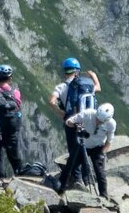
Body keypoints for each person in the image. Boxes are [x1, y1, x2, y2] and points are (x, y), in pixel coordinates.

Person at [49, 58, 101, 189]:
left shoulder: (61, 87)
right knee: (86, 148)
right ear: (77, 70)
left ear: (65, 71)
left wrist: (61, 113)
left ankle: (78, 179)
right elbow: (98, 88)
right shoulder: (87, 86)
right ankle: (88, 178)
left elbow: (52, 101)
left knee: (74, 150)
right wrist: (93, 76)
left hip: (71, 121)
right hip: (88, 121)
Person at [61, 102, 116, 199]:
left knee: (99, 170)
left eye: (101, 121)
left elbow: (109, 141)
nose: (98, 122)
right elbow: (68, 122)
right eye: (97, 119)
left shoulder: (111, 124)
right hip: (83, 145)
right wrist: (75, 125)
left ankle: (104, 195)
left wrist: (103, 153)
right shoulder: (88, 113)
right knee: (70, 164)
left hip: (97, 147)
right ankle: (60, 186)